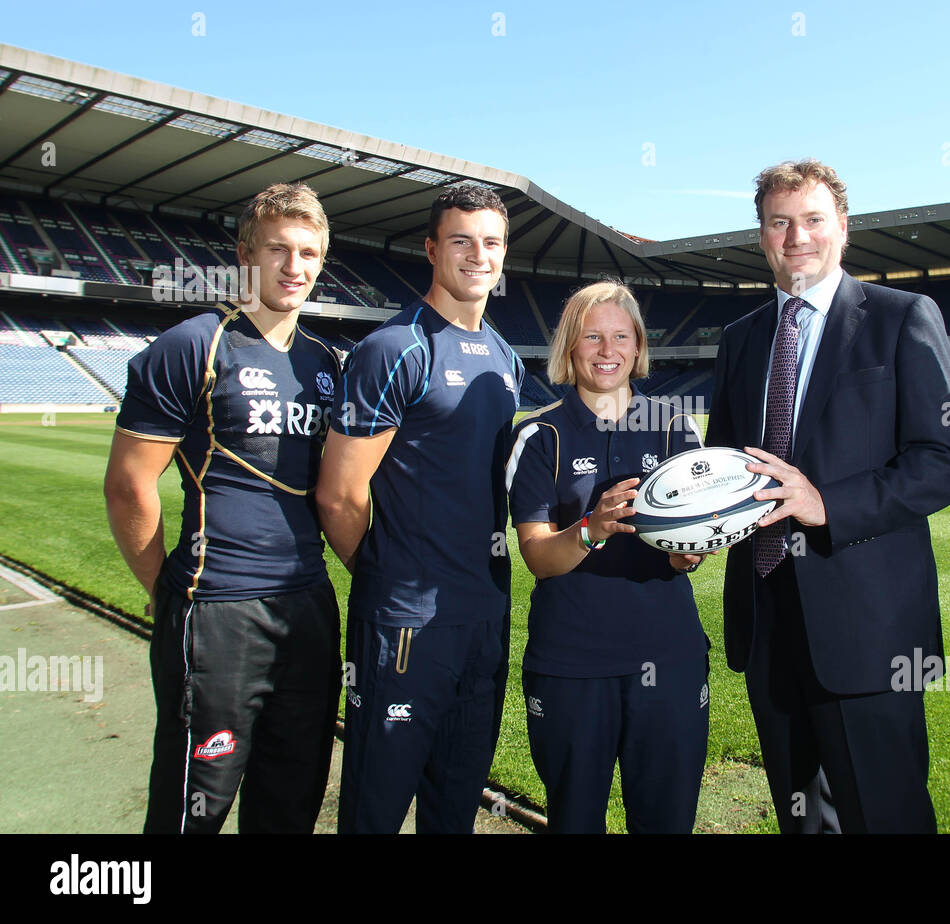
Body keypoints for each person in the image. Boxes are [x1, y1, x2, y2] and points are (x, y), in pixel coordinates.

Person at [705, 159, 950, 833]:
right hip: (766, 616)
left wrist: (829, 503)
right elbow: (727, 465)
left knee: (886, 816)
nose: (797, 237)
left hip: (866, 626)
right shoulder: (740, 340)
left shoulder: (902, 316)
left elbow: (943, 462)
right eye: (779, 222)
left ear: (842, 230)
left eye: (814, 220)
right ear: (761, 234)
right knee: (803, 820)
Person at [104, 182, 342, 834]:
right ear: (245, 255)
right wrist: (171, 592)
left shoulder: (325, 363)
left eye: (309, 252)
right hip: (218, 609)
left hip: (309, 607)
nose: (295, 267)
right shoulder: (193, 344)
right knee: (193, 808)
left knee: (290, 801)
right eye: (278, 250)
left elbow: (336, 488)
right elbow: (129, 484)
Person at [317, 185, 524, 834]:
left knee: (453, 810)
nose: (476, 254)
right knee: (375, 811)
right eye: (460, 239)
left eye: (490, 241)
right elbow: (338, 495)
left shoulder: (507, 358)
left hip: (485, 619)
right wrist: (383, 580)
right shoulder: (395, 349)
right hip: (406, 629)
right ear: (432, 249)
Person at [506, 280, 709, 833]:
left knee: (666, 821)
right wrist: (591, 529)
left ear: (638, 347)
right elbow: (537, 559)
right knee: (575, 821)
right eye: (592, 336)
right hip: (572, 664)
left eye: (621, 336)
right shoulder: (539, 435)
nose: (607, 350)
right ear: (570, 347)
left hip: (668, 656)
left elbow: (685, 553)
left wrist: (691, 550)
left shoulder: (675, 427)